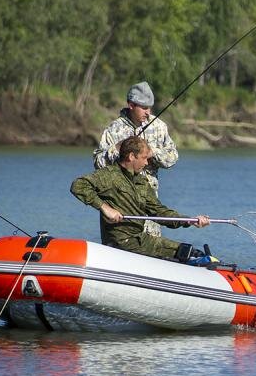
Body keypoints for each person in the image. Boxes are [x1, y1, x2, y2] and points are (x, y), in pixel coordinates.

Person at [72, 136, 209, 262]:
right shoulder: (109, 175)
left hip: (140, 239)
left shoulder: (142, 182)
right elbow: (78, 185)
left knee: (190, 252)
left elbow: (160, 212)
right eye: (144, 158)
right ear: (132, 156)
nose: (147, 162)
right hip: (121, 243)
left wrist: (190, 221)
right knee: (185, 254)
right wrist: (105, 208)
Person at [95, 81, 178, 238]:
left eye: (150, 108)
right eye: (144, 108)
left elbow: (173, 157)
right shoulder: (114, 129)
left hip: (148, 205)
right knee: (119, 249)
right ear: (131, 105)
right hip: (119, 205)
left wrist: (153, 154)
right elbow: (98, 162)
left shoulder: (159, 127)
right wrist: (117, 149)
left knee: (152, 249)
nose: (148, 112)